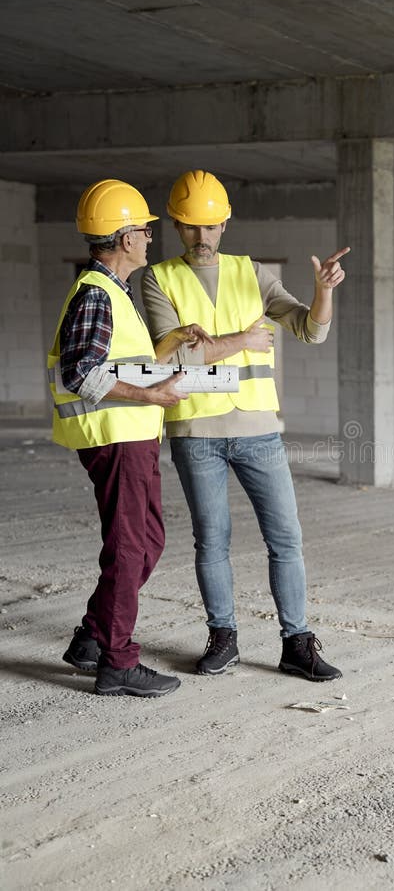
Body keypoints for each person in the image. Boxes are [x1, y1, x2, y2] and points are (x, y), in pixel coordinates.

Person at [142, 169, 350, 682]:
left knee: (285, 538)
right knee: (212, 541)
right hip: (195, 432)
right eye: (191, 226)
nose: (202, 236)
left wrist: (323, 292)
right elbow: (176, 355)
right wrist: (242, 340)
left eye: (210, 226)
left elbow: (309, 330)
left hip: (258, 429)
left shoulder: (250, 273)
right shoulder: (158, 278)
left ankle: (296, 643)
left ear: (225, 223)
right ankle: (223, 638)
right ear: (176, 224)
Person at [48, 178, 209, 697]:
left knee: (148, 541)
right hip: (115, 438)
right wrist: (152, 396)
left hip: (133, 436)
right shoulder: (96, 294)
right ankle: (117, 661)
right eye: (144, 230)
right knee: (127, 547)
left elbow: (122, 363)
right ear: (124, 238)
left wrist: (171, 342)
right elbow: (81, 372)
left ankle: (92, 639)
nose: (149, 238)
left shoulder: (113, 291)